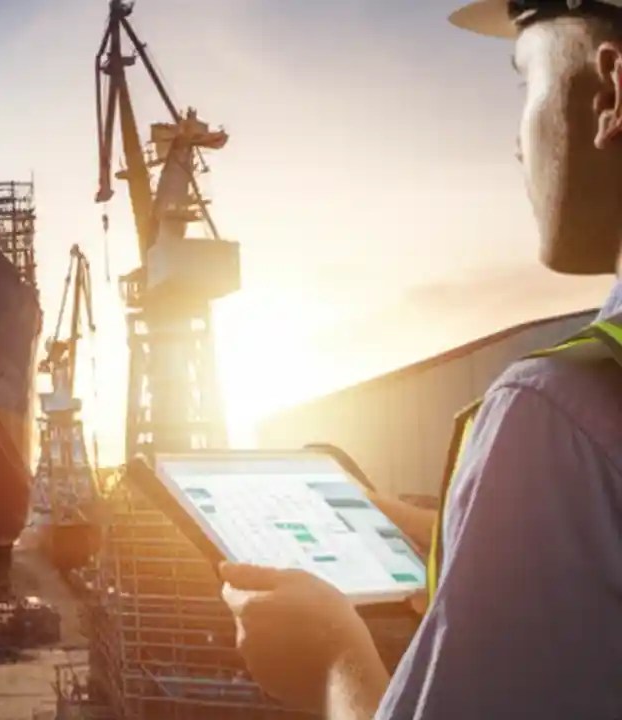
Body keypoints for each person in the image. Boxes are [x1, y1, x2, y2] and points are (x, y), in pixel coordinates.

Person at [220, 1, 622, 718]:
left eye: (523, 81)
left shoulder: (552, 415)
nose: (517, 145)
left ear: (612, 94)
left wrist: (333, 662)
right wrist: (456, 528)